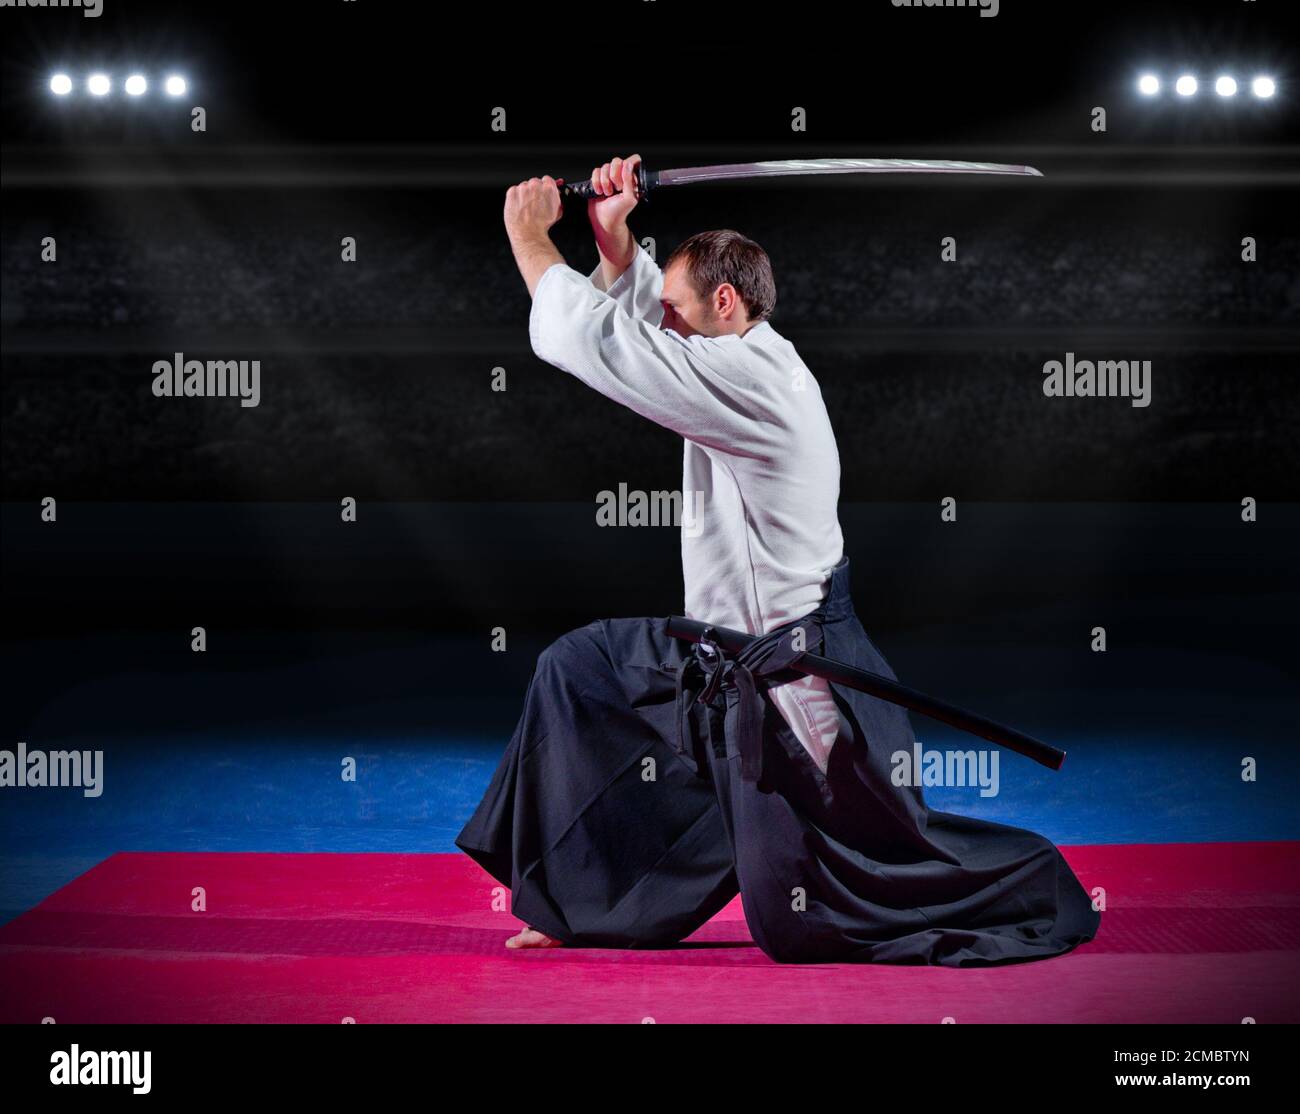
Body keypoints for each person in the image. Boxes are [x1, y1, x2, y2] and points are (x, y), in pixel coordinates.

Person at [455, 154, 1100, 964]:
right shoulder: (732, 355)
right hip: (716, 650)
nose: (668, 327)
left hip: (790, 680)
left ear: (724, 303)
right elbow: (647, 338)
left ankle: (1019, 884)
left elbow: (605, 347)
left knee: (804, 919)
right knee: (580, 669)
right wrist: (614, 246)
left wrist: (529, 238)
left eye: (677, 312)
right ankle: (577, 902)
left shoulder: (756, 381)